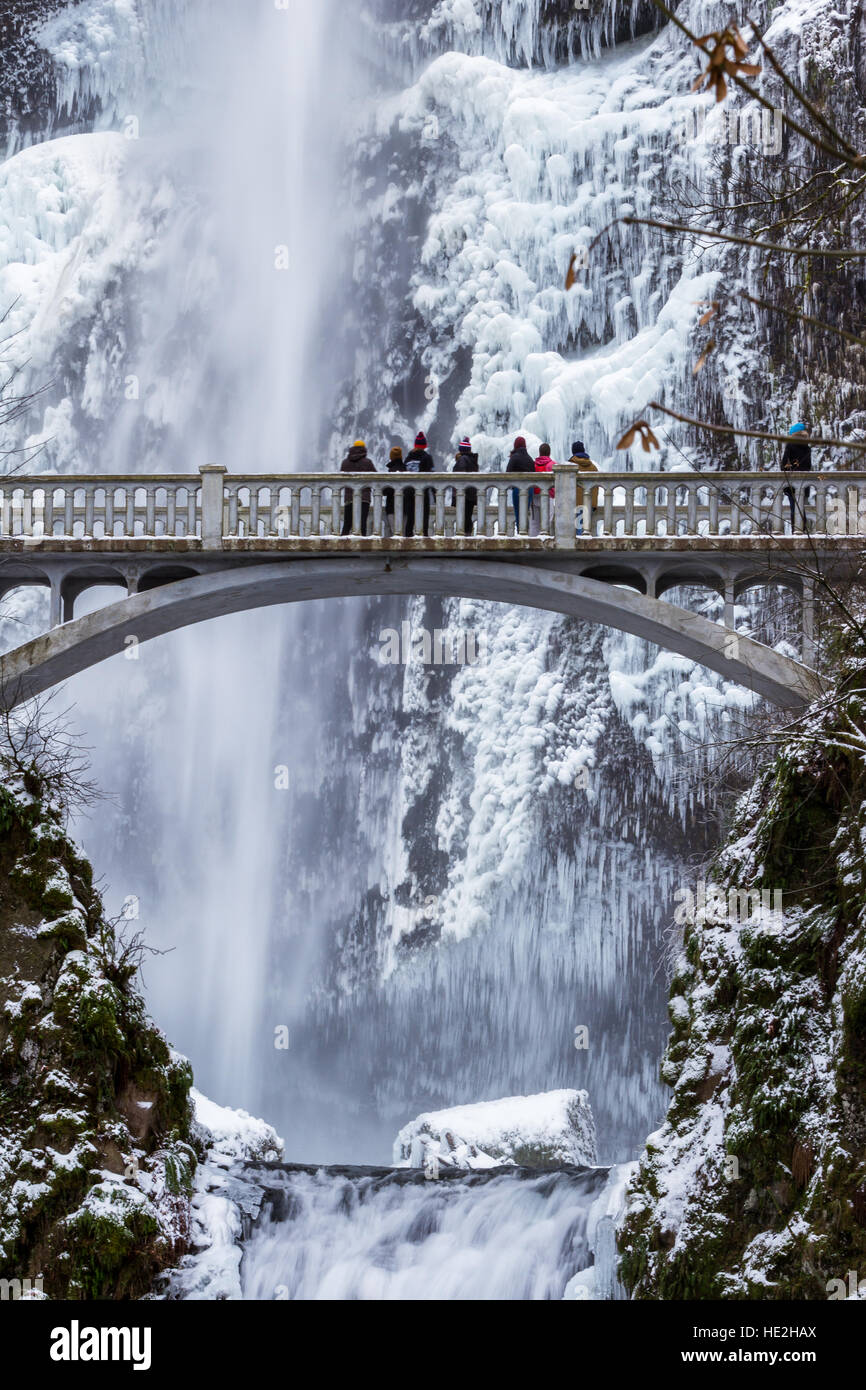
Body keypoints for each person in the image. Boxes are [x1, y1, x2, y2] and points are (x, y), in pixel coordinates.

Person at [340, 439, 377, 536]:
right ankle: (362, 543)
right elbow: (376, 477)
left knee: (347, 524)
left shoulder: (345, 463)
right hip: (364, 497)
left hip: (349, 497)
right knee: (362, 523)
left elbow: (340, 479)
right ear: (364, 449)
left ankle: (343, 544)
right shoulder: (367, 462)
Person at [781, 423, 812, 531]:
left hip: (792, 482)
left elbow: (784, 464)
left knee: (794, 508)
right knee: (801, 507)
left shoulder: (790, 445)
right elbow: (808, 466)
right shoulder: (807, 447)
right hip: (804, 482)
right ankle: (802, 529)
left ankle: (796, 530)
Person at [404, 431, 435, 537]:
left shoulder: (408, 458)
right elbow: (431, 476)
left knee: (410, 517)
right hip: (422, 492)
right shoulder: (426, 457)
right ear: (424, 445)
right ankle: (424, 535)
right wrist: (435, 494)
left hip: (408, 492)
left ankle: (408, 536)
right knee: (424, 516)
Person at [570, 440, 599, 535]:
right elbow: (595, 488)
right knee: (587, 528)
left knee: (578, 528)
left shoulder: (571, 466)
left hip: (575, 502)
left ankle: (579, 547)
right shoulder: (593, 467)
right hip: (589, 502)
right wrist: (594, 504)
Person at [506, 435, 535, 528]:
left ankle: (520, 533)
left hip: (517, 489)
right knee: (525, 513)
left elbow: (508, 473)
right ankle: (524, 533)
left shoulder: (514, 457)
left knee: (518, 514)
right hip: (530, 490)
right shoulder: (530, 459)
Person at [452, 437, 479, 535]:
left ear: (461, 450)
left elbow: (460, 475)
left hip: (464, 493)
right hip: (471, 493)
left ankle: (464, 536)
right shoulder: (473, 460)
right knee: (468, 516)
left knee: (463, 516)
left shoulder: (463, 459)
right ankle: (468, 534)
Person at [533, 444, 556, 534]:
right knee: (547, 522)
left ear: (539, 452)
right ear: (549, 453)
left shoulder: (534, 464)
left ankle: (534, 542)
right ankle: (545, 540)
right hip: (548, 496)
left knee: (534, 522)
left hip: (535, 495)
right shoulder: (552, 464)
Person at [384, 446, 403, 536]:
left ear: (391, 457)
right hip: (405, 506)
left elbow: (386, 491)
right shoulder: (405, 469)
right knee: (402, 532)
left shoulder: (391, 471)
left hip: (392, 506)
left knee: (394, 531)